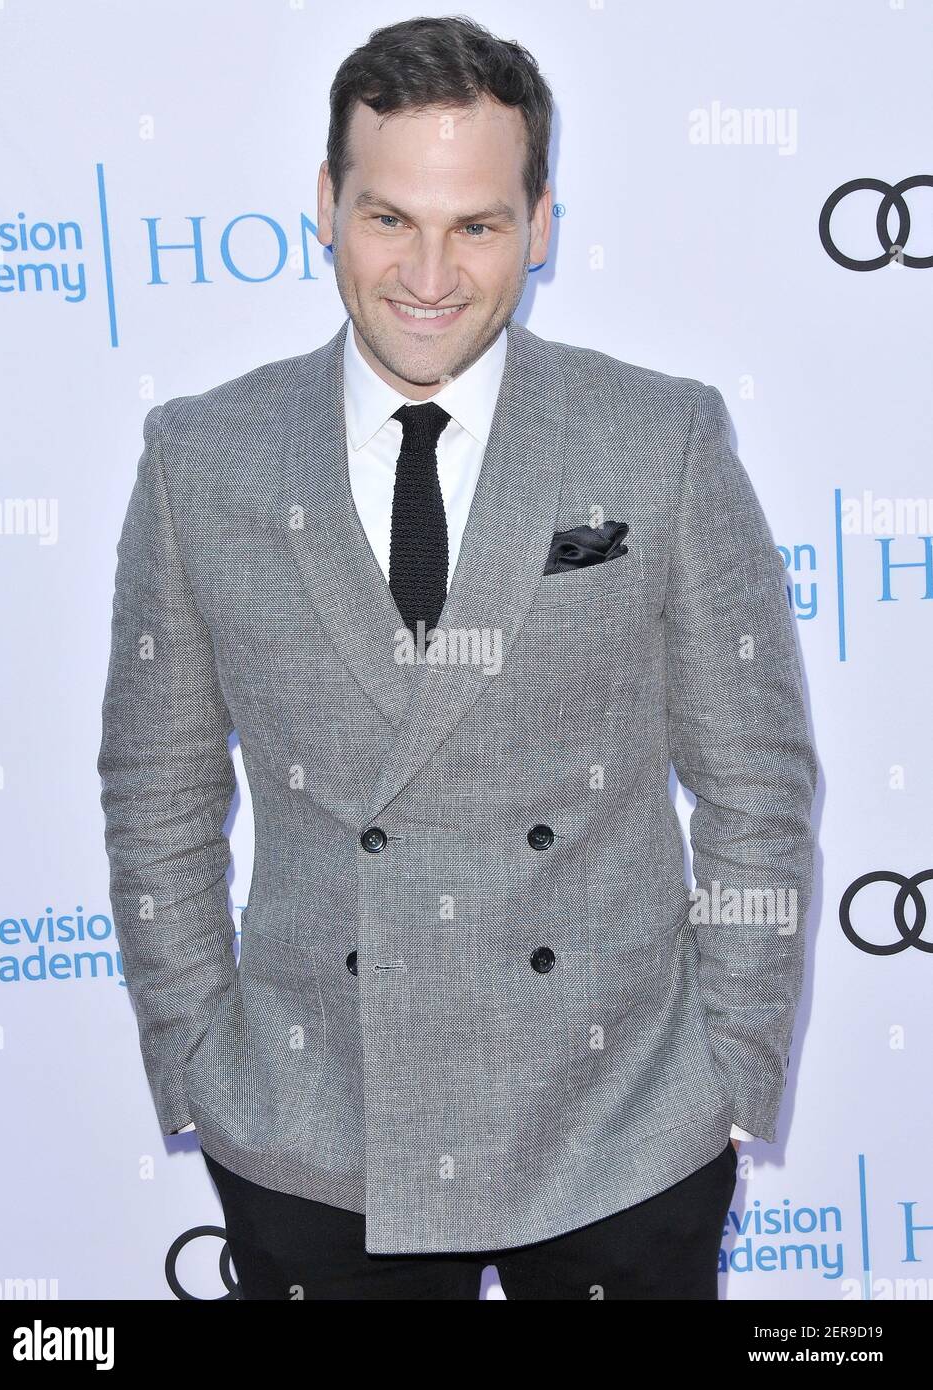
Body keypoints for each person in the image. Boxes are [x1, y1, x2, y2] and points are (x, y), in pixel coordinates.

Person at [97, 14, 817, 1300]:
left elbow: (756, 786)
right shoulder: (199, 459)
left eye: (477, 225)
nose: (429, 272)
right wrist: (206, 1060)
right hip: (318, 1131)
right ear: (325, 202)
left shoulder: (661, 439)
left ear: (541, 224)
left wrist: (730, 1067)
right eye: (389, 219)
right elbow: (157, 793)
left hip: (621, 1131)